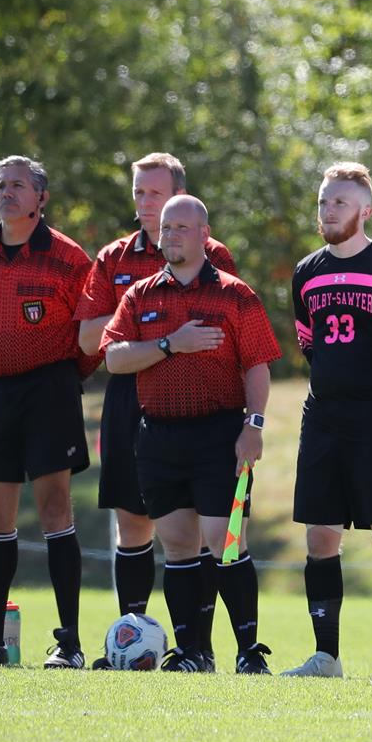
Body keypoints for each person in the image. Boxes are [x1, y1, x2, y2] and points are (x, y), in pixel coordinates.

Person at [101, 195, 279, 673]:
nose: (172, 235)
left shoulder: (235, 294)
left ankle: (248, 653)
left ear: (205, 235)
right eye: (166, 227)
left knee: (225, 540)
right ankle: (192, 652)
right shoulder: (140, 295)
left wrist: (253, 426)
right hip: (158, 436)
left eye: (182, 227)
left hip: (219, 434)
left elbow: (257, 365)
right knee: (178, 543)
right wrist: (169, 345)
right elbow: (114, 358)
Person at [75, 152, 238, 627]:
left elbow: (225, 326)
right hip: (129, 393)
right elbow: (89, 340)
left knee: (196, 526)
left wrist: (143, 325)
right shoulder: (115, 258)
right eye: (139, 193)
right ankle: (133, 633)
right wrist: (147, 308)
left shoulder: (213, 251)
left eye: (156, 193)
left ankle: (197, 643)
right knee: (132, 522)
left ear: (180, 198)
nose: (146, 204)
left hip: (195, 399)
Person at [280, 164, 372, 679]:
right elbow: (309, 341)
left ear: (366, 211)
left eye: (339, 202)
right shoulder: (306, 270)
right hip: (323, 417)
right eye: (322, 202)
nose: (328, 210)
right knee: (320, 537)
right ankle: (326, 656)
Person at [0, 156, 97, 668]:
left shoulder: (70, 259)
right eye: (0, 185)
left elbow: (93, 335)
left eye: (18, 186)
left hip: (49, 389)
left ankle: (69, 642)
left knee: (55, 508)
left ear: (41, 198)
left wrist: (63, 378)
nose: (7, 193)